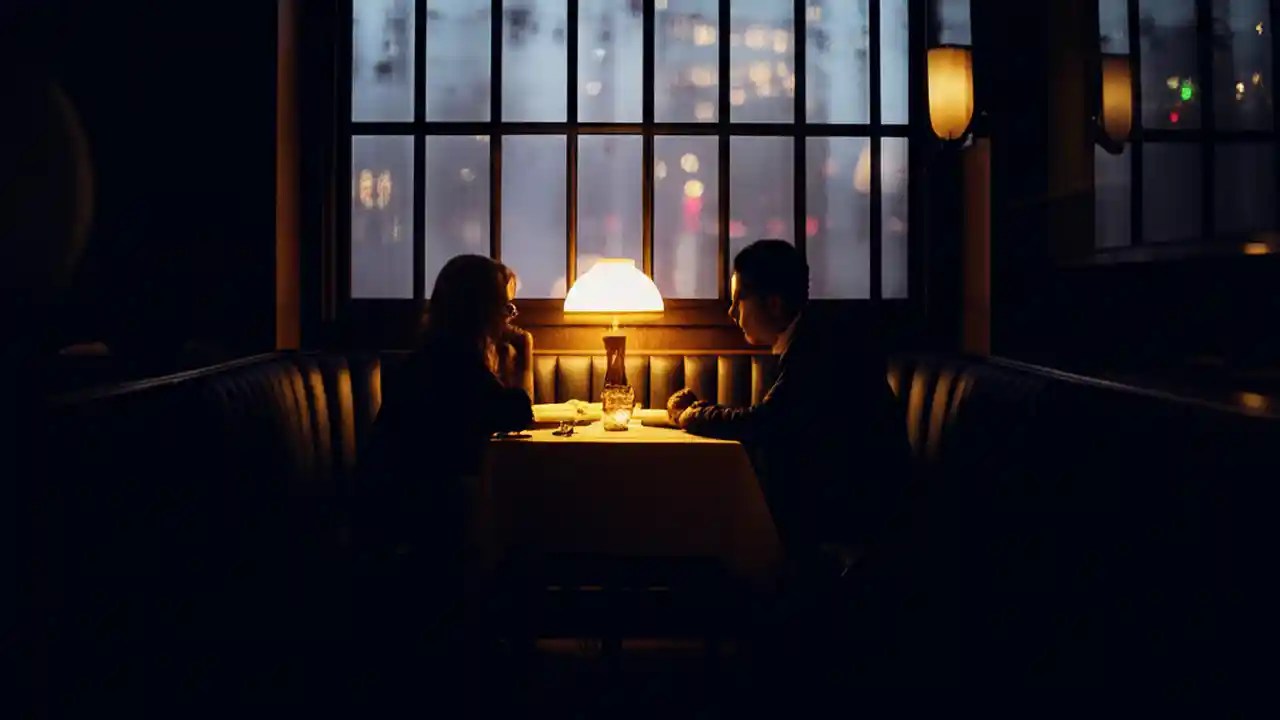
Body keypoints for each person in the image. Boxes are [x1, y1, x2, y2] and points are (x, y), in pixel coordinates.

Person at [352, 254, 533, 709]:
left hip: (392, 503)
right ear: (481, 309)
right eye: (506, 307)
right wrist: (525, 357)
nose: (510, 319)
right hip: (409, 514)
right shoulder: (454, 362)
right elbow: (516, 410)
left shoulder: (436, 355)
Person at [666, 239, 910, 570]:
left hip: (858, 511)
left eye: (738, 300)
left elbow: (765, 423)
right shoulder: (813, 338)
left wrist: (694, 415)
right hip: (854, 498)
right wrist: (703, 411)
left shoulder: (817, 348)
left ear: (775, 304)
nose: (730, 312)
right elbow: (776, 417)